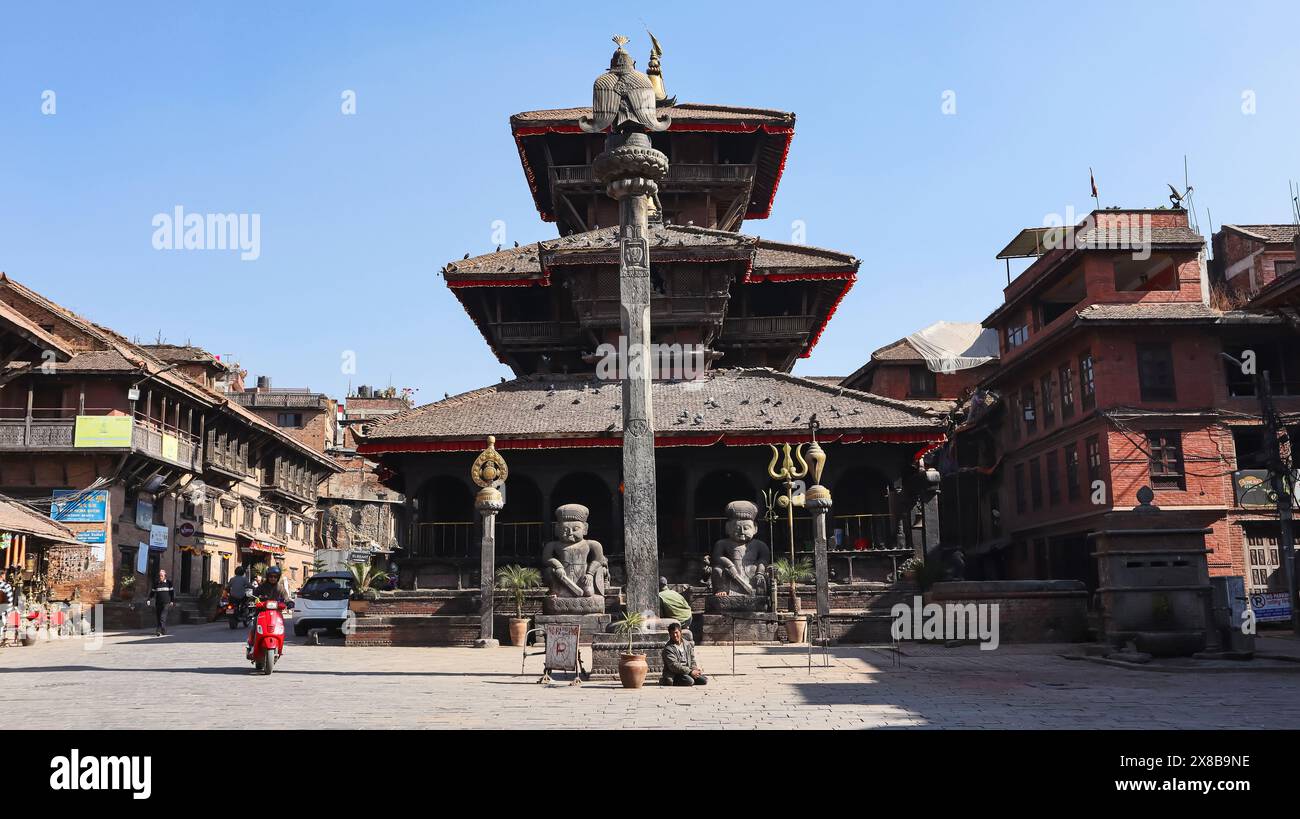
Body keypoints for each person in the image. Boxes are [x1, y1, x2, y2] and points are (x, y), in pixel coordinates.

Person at [246, 565, 288, 659]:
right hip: (262, 612)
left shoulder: (280, 588)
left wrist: (289, 602)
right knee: (255, 625)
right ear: (268, 577)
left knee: (282, 627)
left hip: (276, 613)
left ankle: (279, 644)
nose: (273, 578)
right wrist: (252, 601)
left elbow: (286, 598)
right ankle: (251, 645)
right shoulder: (261, 587)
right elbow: (254, 596)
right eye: (271, 576)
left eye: (275, 577)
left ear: (278, 577)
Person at [660, 622, 707, 686]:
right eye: (672, 633)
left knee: (704, 680)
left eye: (676, 632)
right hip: (676, 673)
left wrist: (694, 669)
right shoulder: (668, 648)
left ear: (680, 632)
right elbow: (674, 666)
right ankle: (667, 680)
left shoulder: (687, 644)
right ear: (669, 634)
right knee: (690, 681)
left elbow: (692, 659)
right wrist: (690, 672)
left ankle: (690, 677)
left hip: (687, 671)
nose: (675, 635)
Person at [148, 569, 176, 636]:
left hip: (166, 603)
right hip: (158, 603)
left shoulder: (169, 583)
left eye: (162, 576)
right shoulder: (156, 583)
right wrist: (148, 599)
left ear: (165, 576)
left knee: (162, 617)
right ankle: (163, 630)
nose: (160, 577)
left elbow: (172, 593)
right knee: (158, 617)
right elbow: (152, 592)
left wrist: (172, 601)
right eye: (160, 575)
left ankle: (158, 631)